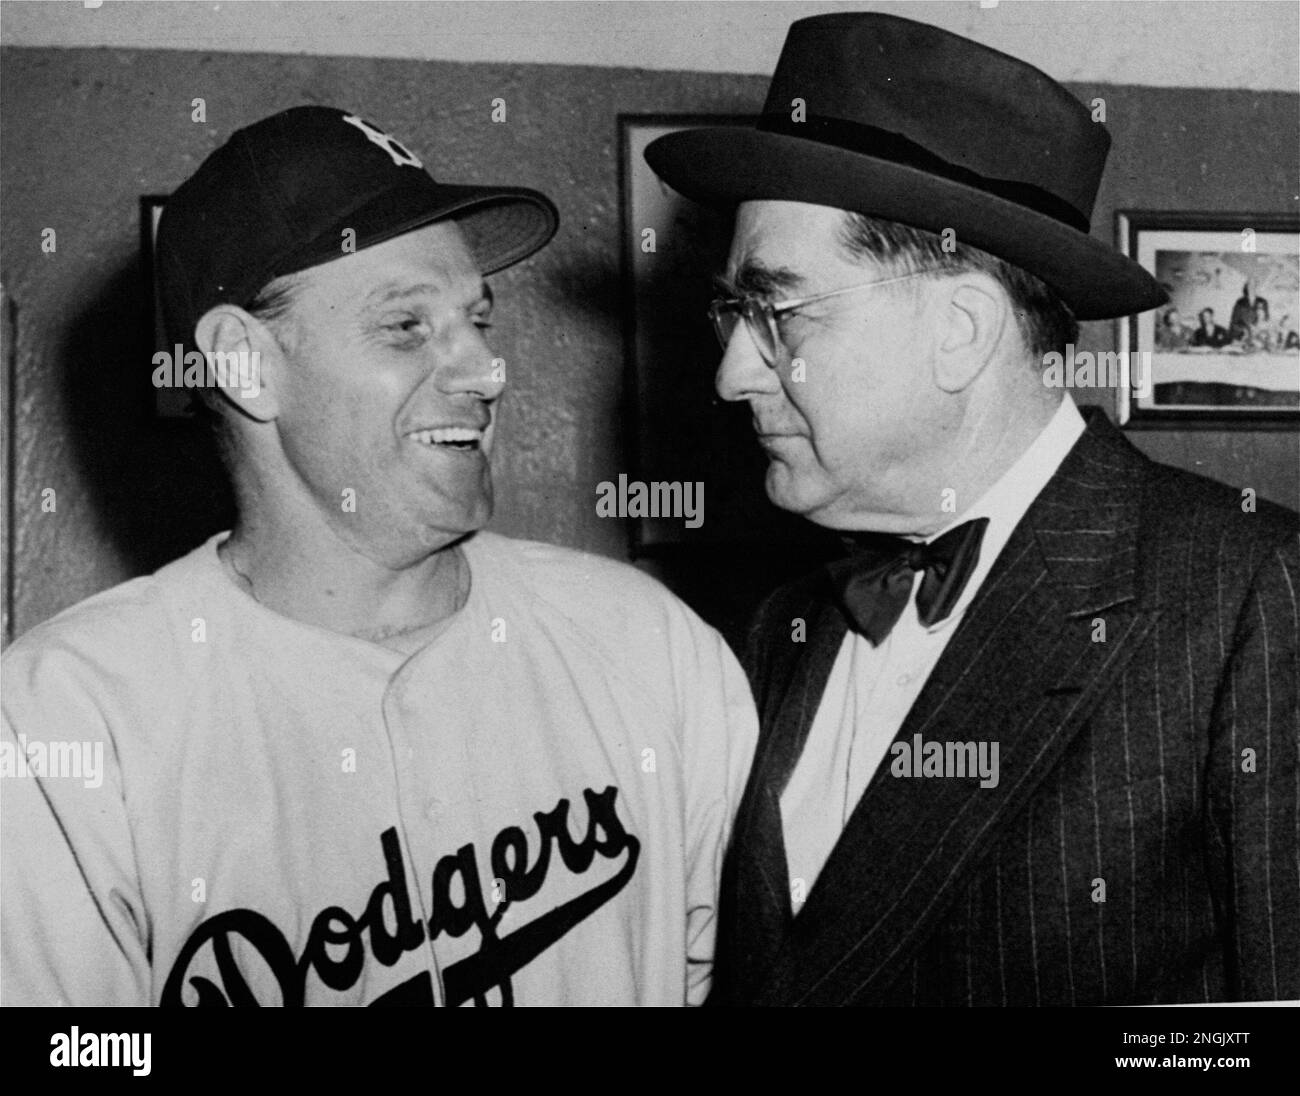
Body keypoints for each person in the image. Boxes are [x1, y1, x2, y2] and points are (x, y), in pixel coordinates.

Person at [0, 106, 758, 1006]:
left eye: (480, 320)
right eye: (407, 327)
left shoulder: (649, 648)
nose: (485, 371)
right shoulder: (65, 718)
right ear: (245, 365)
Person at [646, 13, 1299, 1006]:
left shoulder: (1250, 598)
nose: (734, 373)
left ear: (959, 331)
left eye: (776, 314)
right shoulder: (777, 623)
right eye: (732, 315)